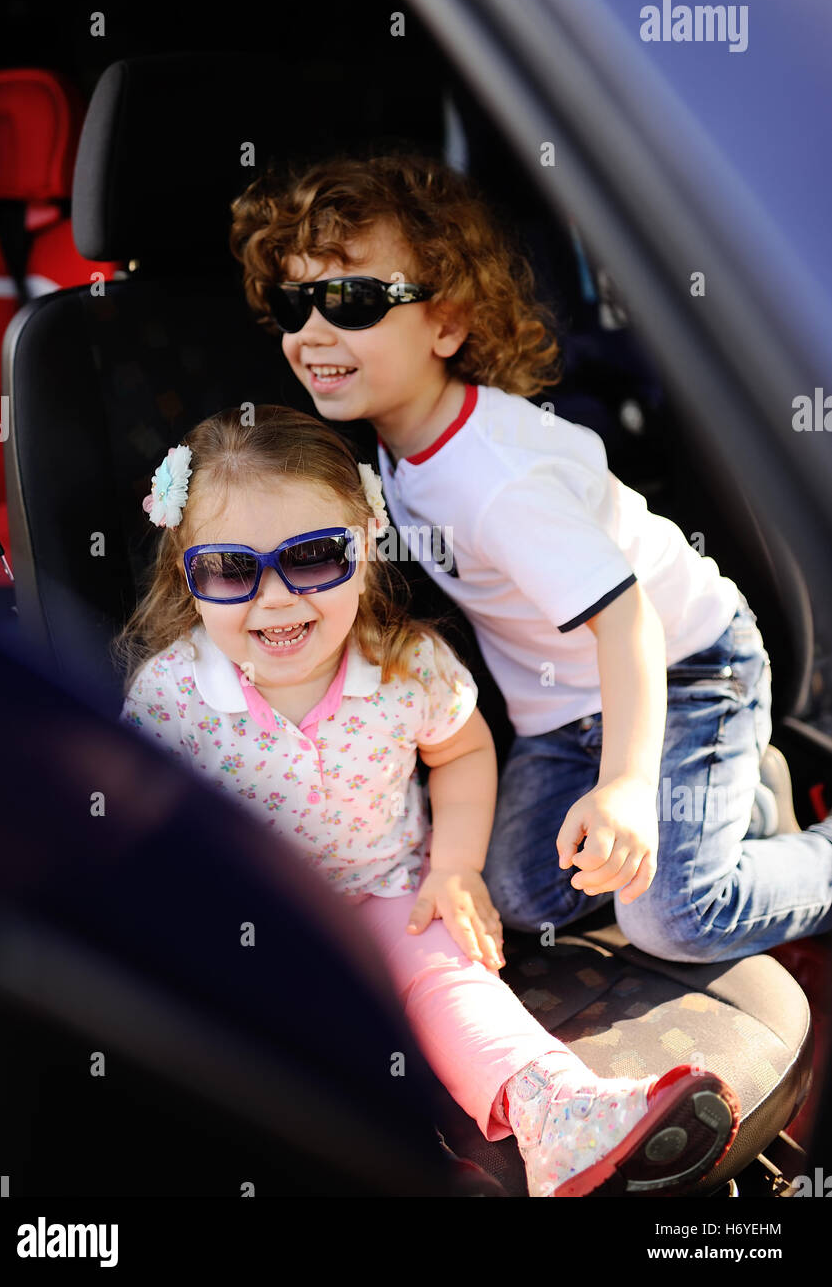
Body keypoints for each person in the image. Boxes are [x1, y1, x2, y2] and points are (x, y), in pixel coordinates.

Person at [118, 406, 738, 1197]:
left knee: (454, 989)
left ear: (366, 553)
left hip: (390, 891)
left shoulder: (408, 664)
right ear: (187, 576)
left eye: (311, 558)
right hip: (255, 911)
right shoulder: (172, 695)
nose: (274, 599)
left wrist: (453, 868)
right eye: (231, 570)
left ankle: (563, 1116)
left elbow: (463, 750)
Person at [229, 153, 832, 965]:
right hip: (564, 711)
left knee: (678, 918)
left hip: (684, 671)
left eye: (352, 301)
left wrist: (622, 787)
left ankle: (783, 840)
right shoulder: (395, 446)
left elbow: (630, 623)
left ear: (445, 323)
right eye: (293, 304)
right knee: (521, 892)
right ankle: (742, 799)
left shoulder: (498, 483)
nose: (311, 331)